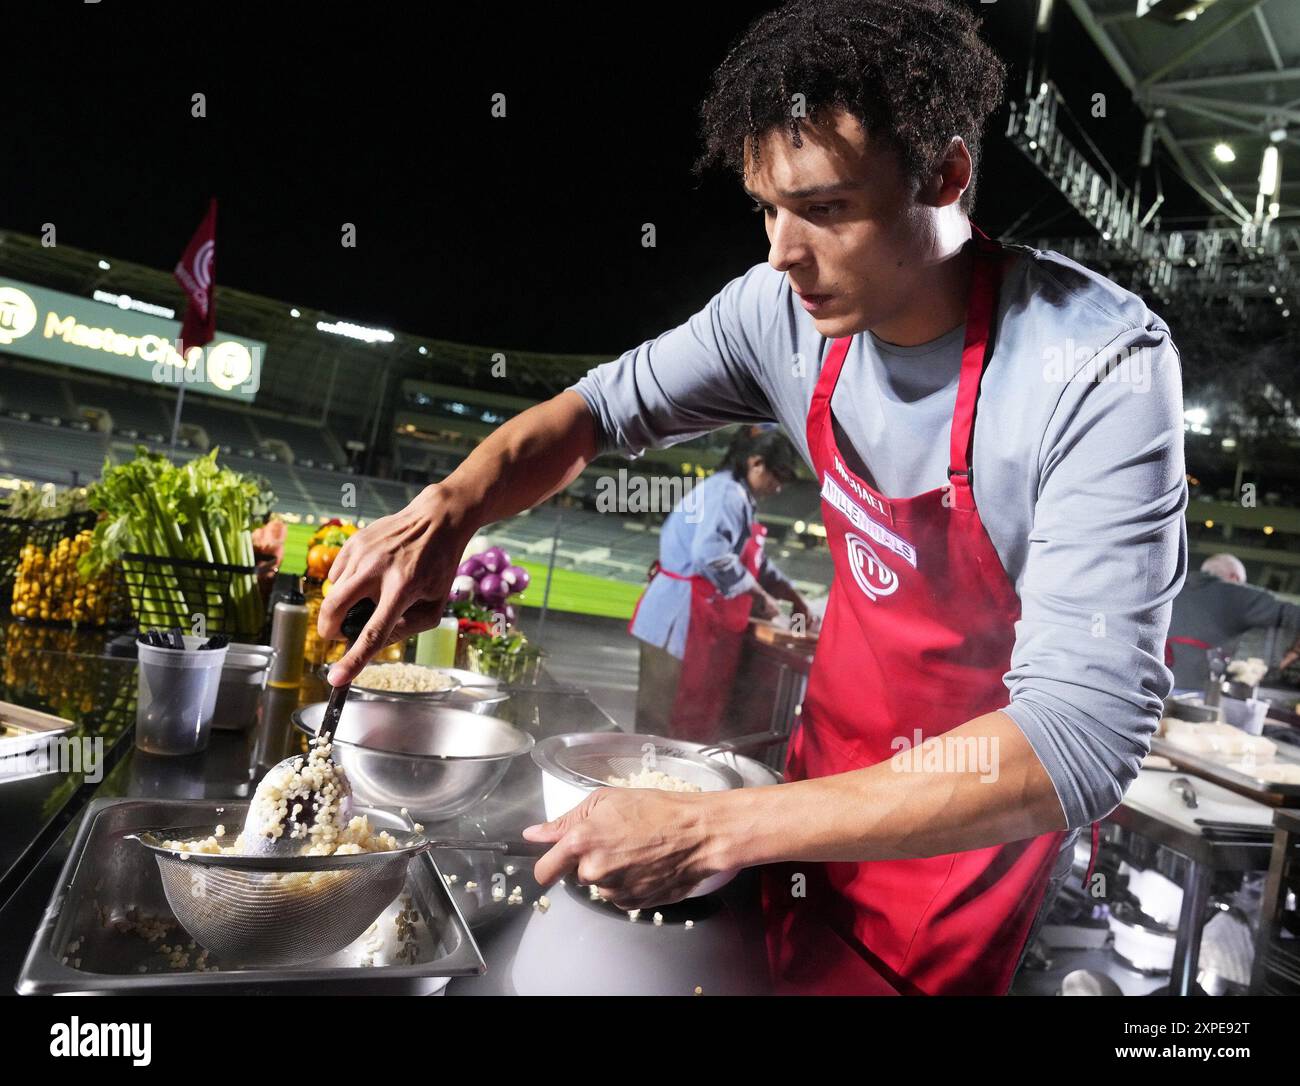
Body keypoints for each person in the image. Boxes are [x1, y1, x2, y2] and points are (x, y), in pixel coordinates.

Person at [319, 0, 1187, 995]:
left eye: (824, 209)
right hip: (804, 793)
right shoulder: (778, 311)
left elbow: (1083, 735)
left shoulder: (1094, 364)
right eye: (766, 208)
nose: (780, 251)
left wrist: (717, 824)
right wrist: (448, 508)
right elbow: (598, 408)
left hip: (954, 846)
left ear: (947, 176)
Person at [629, 425, 810, 740]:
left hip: (678, 615)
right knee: (658, 723)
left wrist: (793, 596)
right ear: (756, 463)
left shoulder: (732, 493)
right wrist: (760, 595)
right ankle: (641, 783)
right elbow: (709, 554)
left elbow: (758, 564)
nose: (779, 487)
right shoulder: (728, 494)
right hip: (677, 618)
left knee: (664, 719)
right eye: (777, 475)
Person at [1166, 553, 1300, 694]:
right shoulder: (1235, 593)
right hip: (1199, 694)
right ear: (1234, 578)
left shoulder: (1174, 589)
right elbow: (1292, 613)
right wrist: (1295, 652)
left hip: (1155, 689)